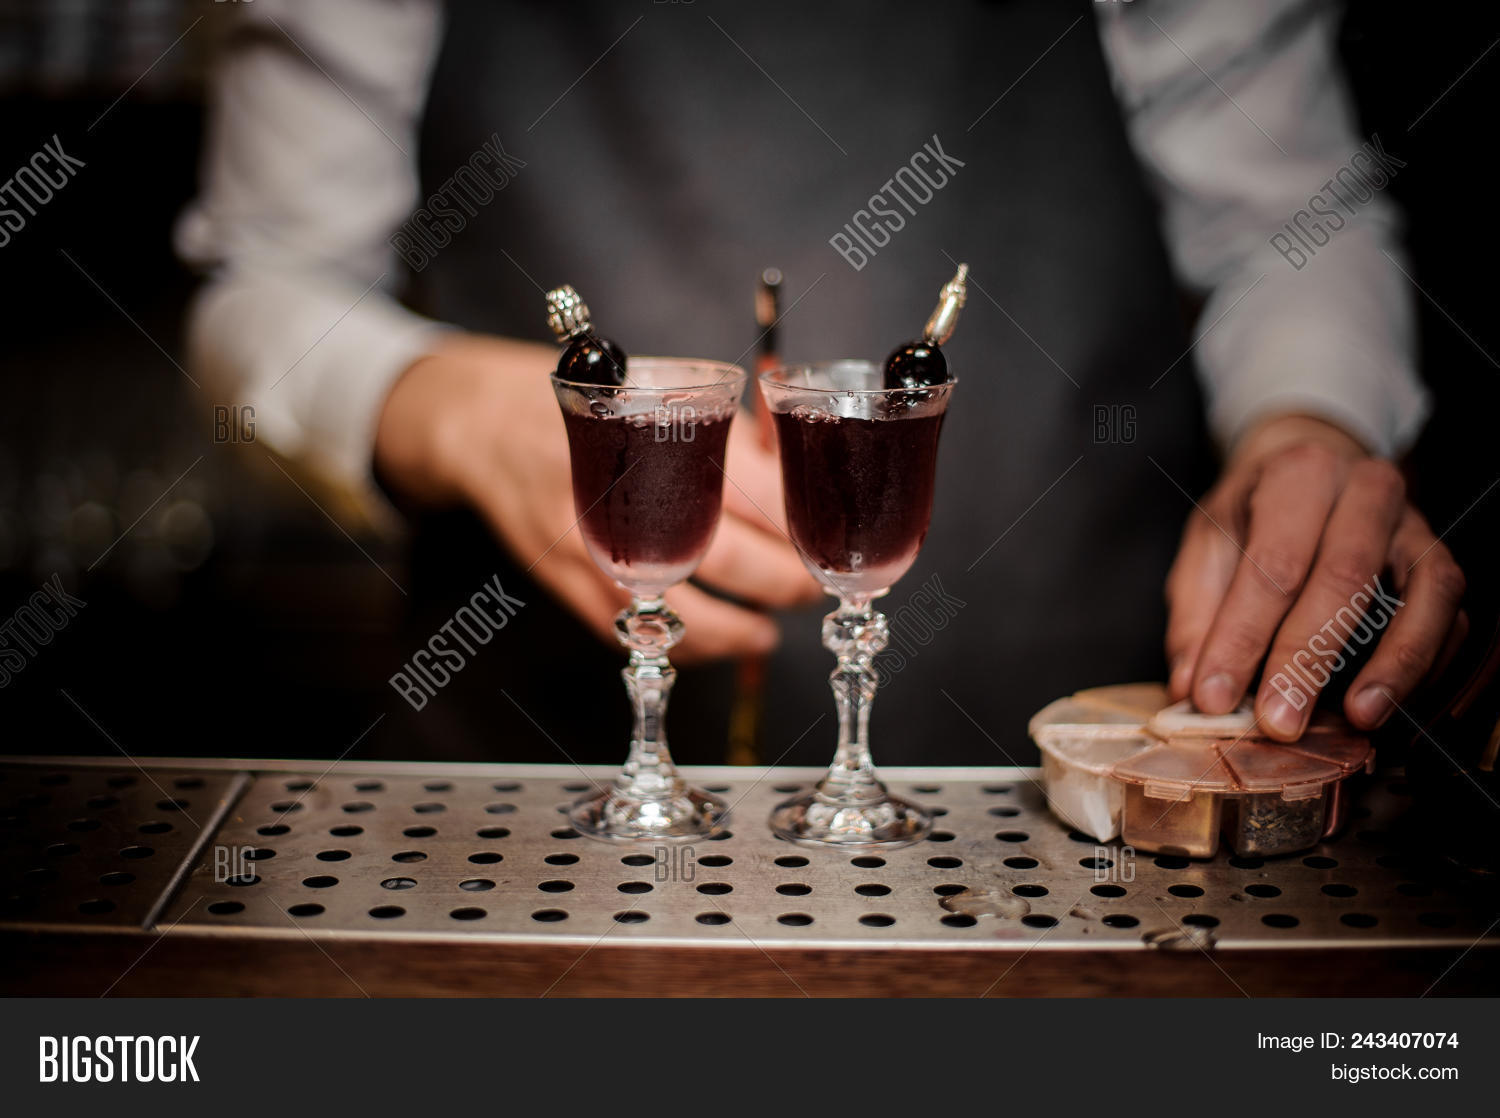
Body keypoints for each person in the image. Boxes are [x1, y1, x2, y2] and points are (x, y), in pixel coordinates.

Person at [176, 0, 1465, 763]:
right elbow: (262, 281)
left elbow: (1287, 222)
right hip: (521, 796)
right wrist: (436, 402)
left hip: (1083, 776)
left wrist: (1310, 420)